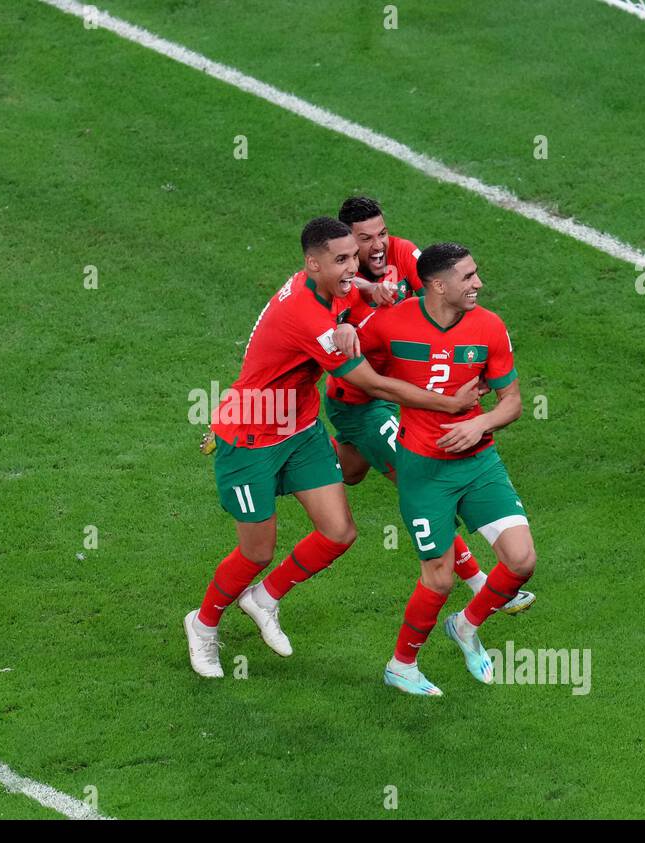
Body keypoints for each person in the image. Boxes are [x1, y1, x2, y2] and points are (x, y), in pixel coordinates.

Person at [185, 218, 477, 679]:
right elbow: (373, 384)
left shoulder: (316, 281)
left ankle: (264, 599)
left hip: (298, 430)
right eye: (341, 260)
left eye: (352, 257)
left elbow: (347, 288)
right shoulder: (307, 317)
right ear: (312, 262)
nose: (351, 266)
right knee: (256, 552)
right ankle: (202, 626)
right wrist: (449, 403)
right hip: (249, 438)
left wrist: (366, 289)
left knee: (339, 532)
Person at [357, 243, 535, 696]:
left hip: (479, 463)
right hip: (423, 470)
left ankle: (465, 625)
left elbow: (511, 401)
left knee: (521, 560)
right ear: (438, 285)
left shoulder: (490, 326)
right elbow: (357, 374)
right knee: (437, 576)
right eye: (469, 276)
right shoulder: (389, 324)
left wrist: (480, 423)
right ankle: (402, 666)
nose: (478, 283)